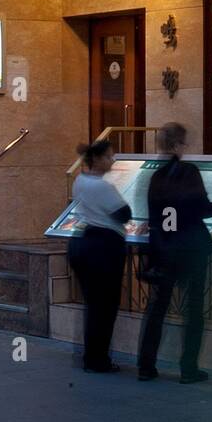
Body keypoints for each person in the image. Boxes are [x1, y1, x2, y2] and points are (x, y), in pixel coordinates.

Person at [137, 122, 212, 384]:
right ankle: (188, 369)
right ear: (177, 145)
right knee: (194, 308)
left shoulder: (156, 176)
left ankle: (146, 366)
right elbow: (199, 208)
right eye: (184, 142)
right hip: (190, 248)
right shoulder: (188, 172)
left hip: (164, 249)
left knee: (157, 308)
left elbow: (157, 218)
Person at [68, 139, 131, 373]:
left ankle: (92, 358)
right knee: (105, 307)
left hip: (83, 242)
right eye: (108, 156)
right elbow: (125, 214)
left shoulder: (80, 180)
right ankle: (98, 359)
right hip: (104, 247)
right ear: (97, 159)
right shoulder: (103, 187)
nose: (112, 160)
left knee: (94, 305)